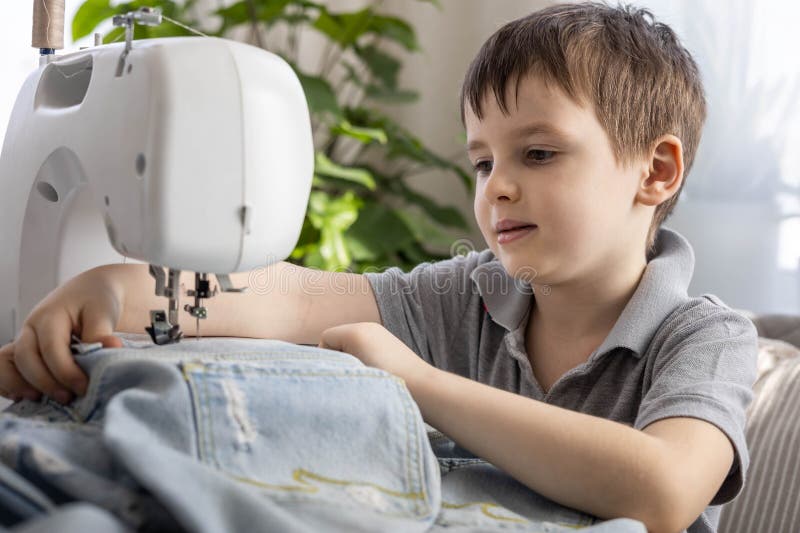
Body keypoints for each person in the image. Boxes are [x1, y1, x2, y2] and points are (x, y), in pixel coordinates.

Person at [0, 3, 758, 532]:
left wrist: (420, 382)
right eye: (482, 160)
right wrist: (124, 287)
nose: (496, 185)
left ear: (655, 171)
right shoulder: (470, 294)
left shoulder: (706, 336)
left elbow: (661, 490)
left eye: (537, 153)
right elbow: (293, 295)